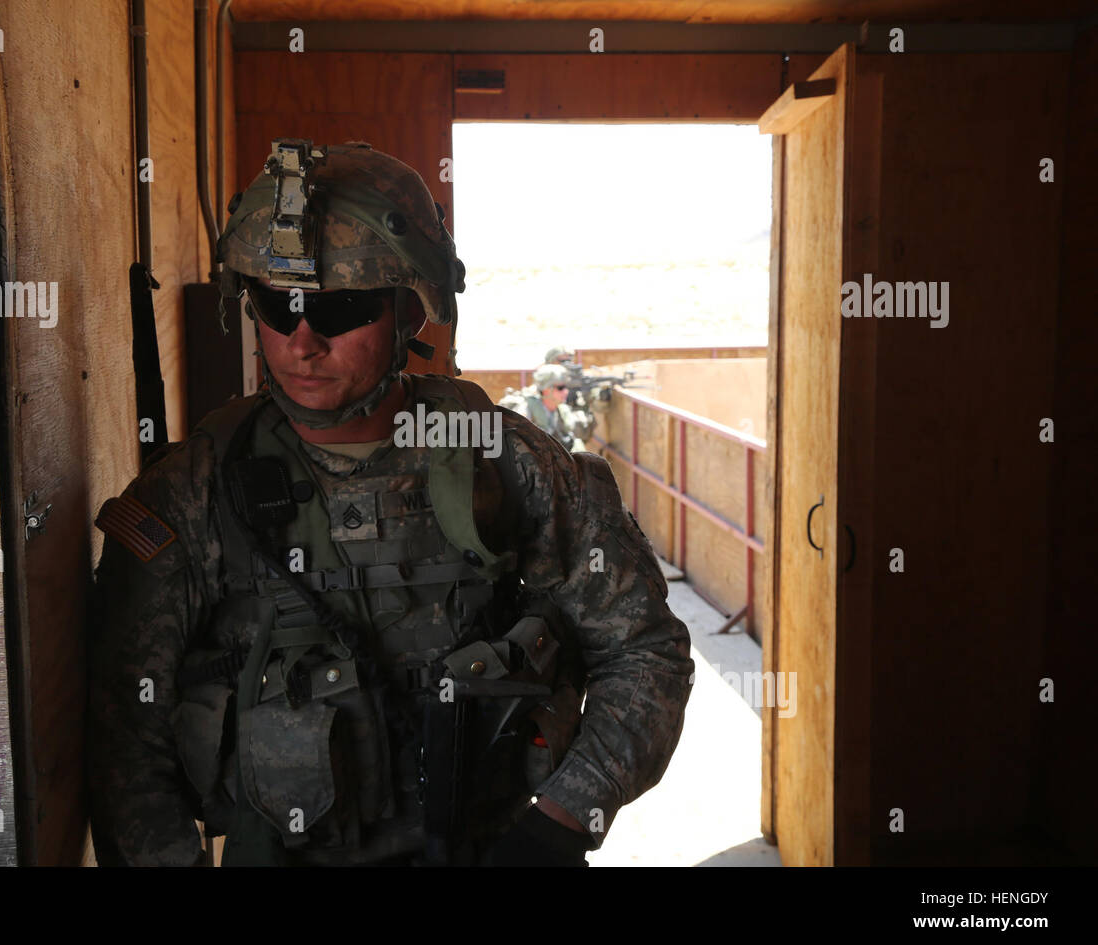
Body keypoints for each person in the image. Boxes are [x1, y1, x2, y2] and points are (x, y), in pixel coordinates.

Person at [87, 138, 693, 867]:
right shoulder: (194, 492)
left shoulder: (506, 463)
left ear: (409, 312)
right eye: (277, 306)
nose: (300, 343)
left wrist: (560, 825)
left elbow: (645, 652)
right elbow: (126, 738)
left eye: (340, 310)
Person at [498, 363, 597, 453]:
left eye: (566, 387)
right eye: (560, 388)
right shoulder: (526, 410)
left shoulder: (561, 410)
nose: (566, 391)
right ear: (546, 390)